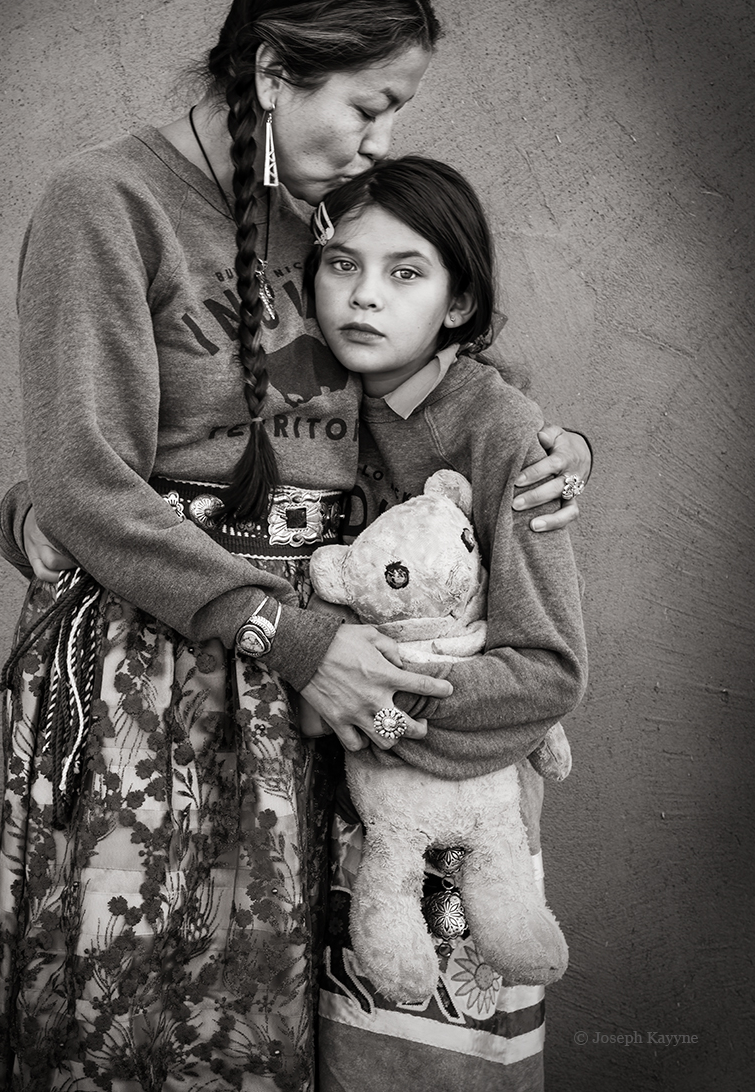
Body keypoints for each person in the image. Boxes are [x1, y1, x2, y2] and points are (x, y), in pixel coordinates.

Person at [0, 0, 592, 1092]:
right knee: (136, 1041)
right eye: (371, 104)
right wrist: (296, 638)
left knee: (307, 1049)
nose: (382, 140)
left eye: (396, 113)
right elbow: (84, 483)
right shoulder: (105, 204)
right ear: (273, 71)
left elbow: (432, 385)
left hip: (330, 697)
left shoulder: (323, 228)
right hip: (156, 684)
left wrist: (548, 444)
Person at [299, 155, 588, 1091]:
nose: (363, 297)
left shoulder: (503, 434)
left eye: (405, 272)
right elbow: (160, 468)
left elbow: (546, 671)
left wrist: (374, 701)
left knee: (428, 1072)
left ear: (457, 305)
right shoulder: (302, 394)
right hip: (324, 829)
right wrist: (31, 512)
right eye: (341, 264)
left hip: (464, 840)